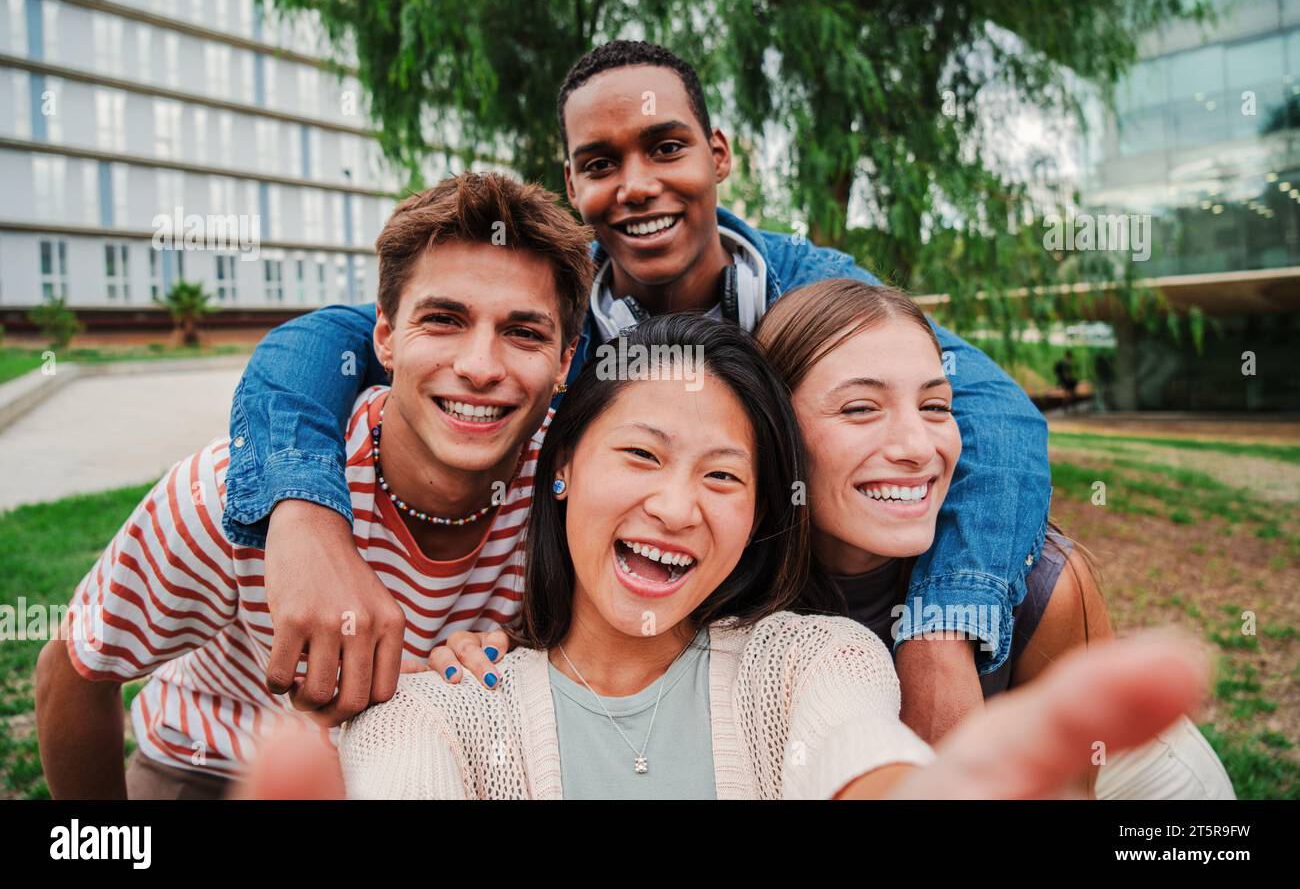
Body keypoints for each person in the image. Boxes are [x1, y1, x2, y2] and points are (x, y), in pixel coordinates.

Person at [224, 40, 1052, 742]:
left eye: (666, 147)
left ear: (718, 154)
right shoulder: (548, 316)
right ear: (572, 182)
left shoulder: (813, 292)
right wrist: (304, 517)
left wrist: (941, 632)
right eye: (600, 163)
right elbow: (317, 345)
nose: (636, 186)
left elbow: (995, 413)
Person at [336, 314, 1210, 800]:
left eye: (723, 474)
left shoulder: (814, 657)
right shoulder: (433, 710)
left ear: (763, 504)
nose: (675, 507)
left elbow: (856, 751)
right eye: (640, 455)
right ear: (561, 465)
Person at [33, 172, 595, 797]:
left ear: (566, 360)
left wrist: (509, 652)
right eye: (442, 320)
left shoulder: (579, 489)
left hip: (434, 770)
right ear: (383, 336)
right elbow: (76, 669)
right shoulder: (224, 494)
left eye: (523, 332)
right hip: (217, 767)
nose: (480, 367)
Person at [754, 278, 1234, 798]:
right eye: (861, 408)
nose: (918, 447)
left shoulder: (1050, 587)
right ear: (774, 427)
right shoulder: (723, 590)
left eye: (936, 407)